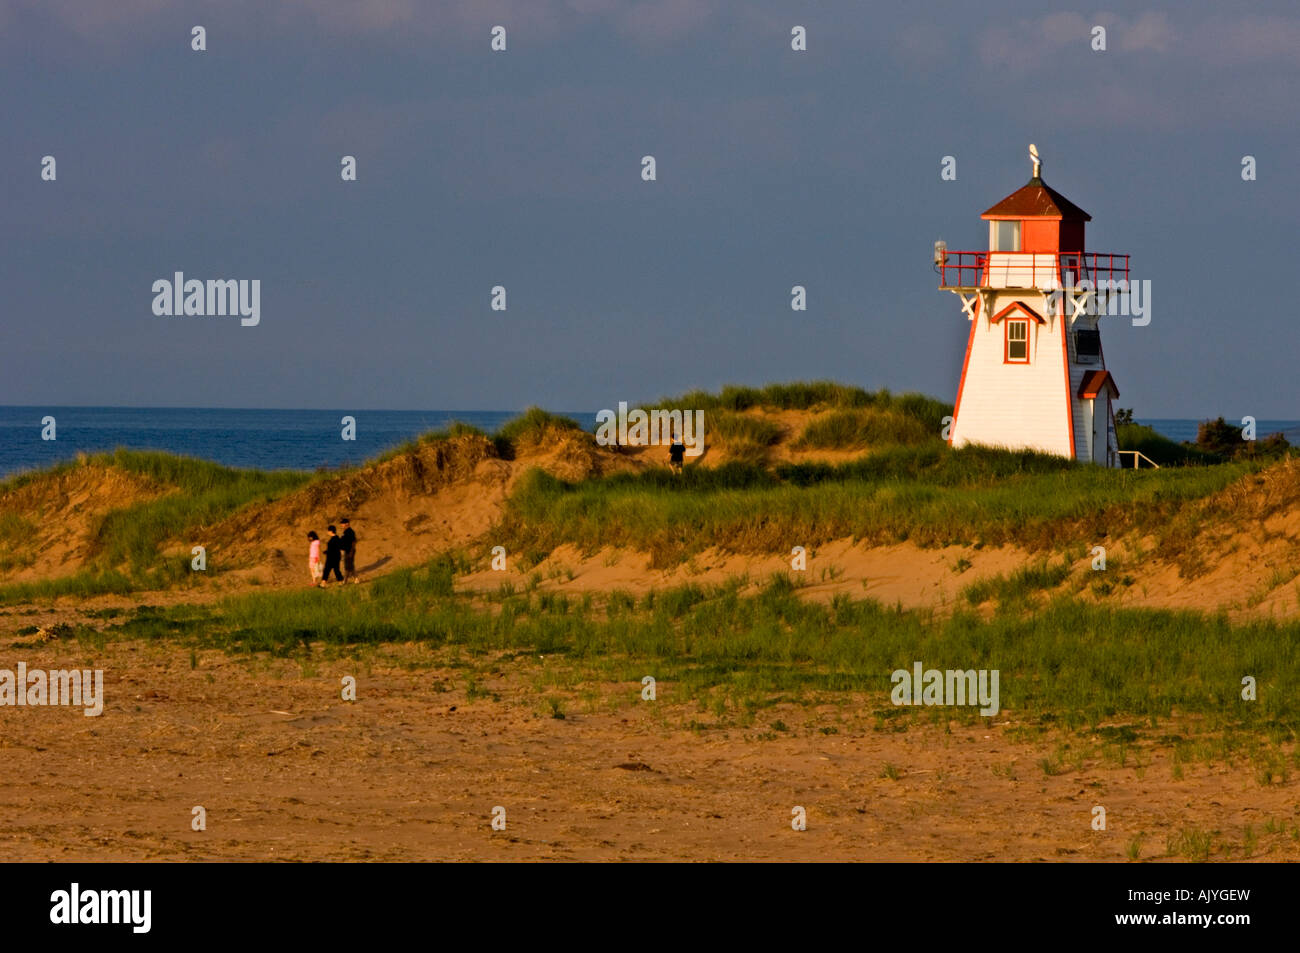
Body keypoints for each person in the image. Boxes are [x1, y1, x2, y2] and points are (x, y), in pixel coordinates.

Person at [340, 517, 359, 584]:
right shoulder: (345, 532)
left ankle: (345, 581)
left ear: (347, 524)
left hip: (350, 551)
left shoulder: (350, 531)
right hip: (346, 551)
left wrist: (351, 551)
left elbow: (354, 541)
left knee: (348, 566)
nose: (341, 525)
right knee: (350, 566)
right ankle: (355, 579)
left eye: (342, 524)